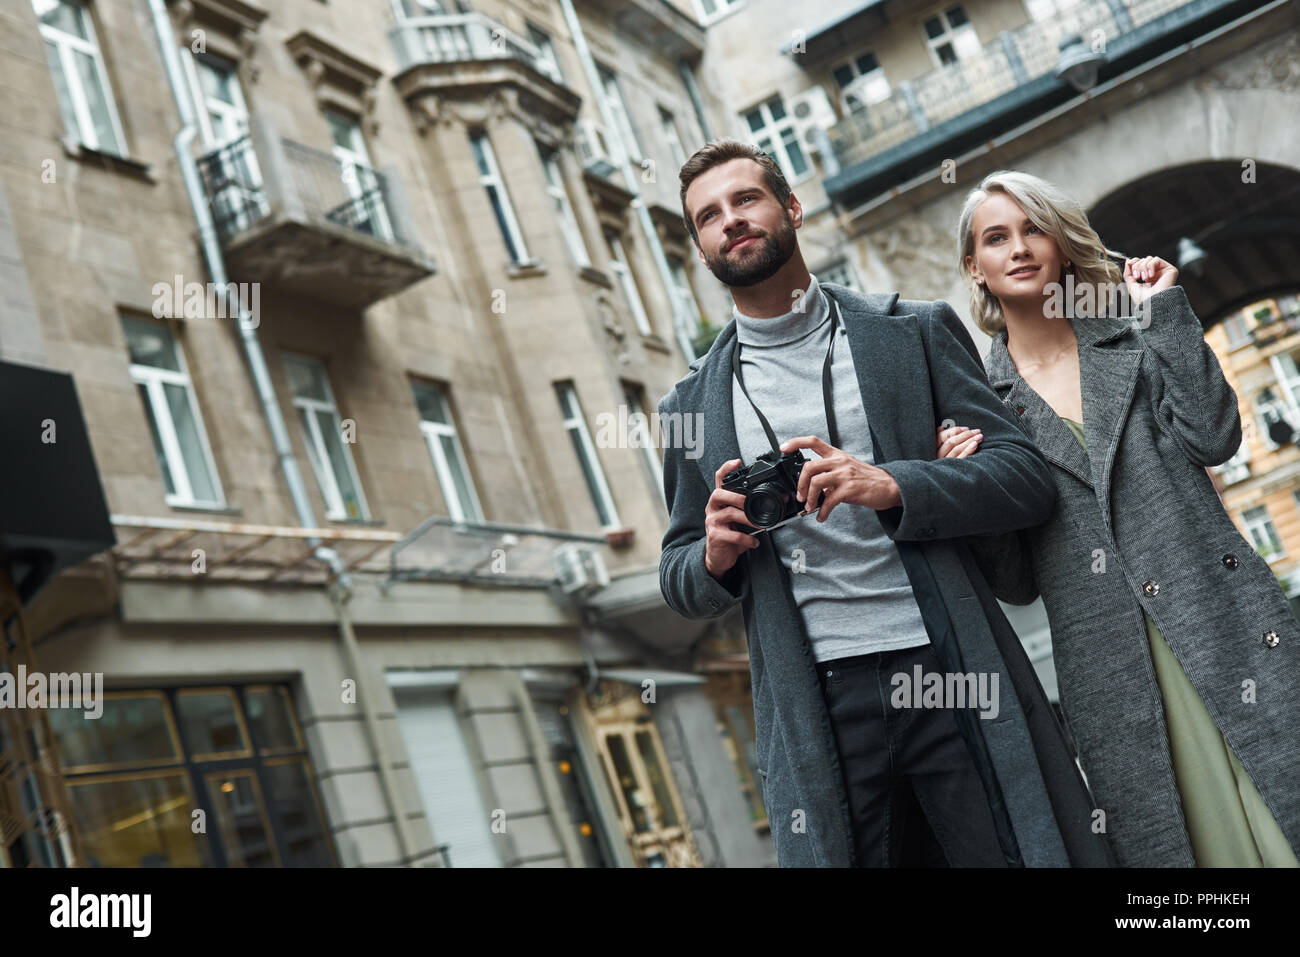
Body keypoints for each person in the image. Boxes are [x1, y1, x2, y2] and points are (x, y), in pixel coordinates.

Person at [657, 139, 1113, 867]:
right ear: (701, 249)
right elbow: (677, 574)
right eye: (708, 216)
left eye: (746, 199)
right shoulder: (690, 404)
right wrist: (712, 555)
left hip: (946, 661)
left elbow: (1024, 479)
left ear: (792, 207)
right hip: (819, 700)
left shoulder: (916, 330)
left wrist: (895, 483)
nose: (731, 222)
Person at [954, 169, 1300, 867]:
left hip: (1224, 622)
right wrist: (969, 485)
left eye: (1034, 228)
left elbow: (1215, 436)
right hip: (1114, 678)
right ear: (976, 267)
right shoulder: (980, 409)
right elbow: (1016, 579)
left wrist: (1164, 310)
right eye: (997, 237)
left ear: (1059, 246)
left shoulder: (1133, 337)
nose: (1019, 247)